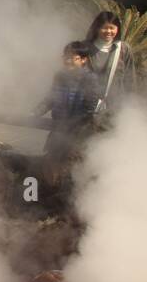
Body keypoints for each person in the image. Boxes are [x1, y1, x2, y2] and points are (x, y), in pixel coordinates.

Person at [34, 41, 102, 190]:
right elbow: (51, 97)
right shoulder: (59, 76)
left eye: (73, 58)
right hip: (58, 129)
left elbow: (89, 110)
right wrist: (38, 111)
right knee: (51, 166)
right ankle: (50, 200)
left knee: (75, 170)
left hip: (79, 134)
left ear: (83, 60)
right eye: (66, 57)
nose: (68, 61)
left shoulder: (90, 79)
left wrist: (73, 125)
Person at [83, 10, 132, 105]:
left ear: (117, 29)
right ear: (96, 28)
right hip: (86, 105)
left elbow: (130, 80)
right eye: (104, 28)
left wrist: (131, 105)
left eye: (112, 28)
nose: (108, 31)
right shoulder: (84, 47)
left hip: (115, 106)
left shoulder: (123, 49)